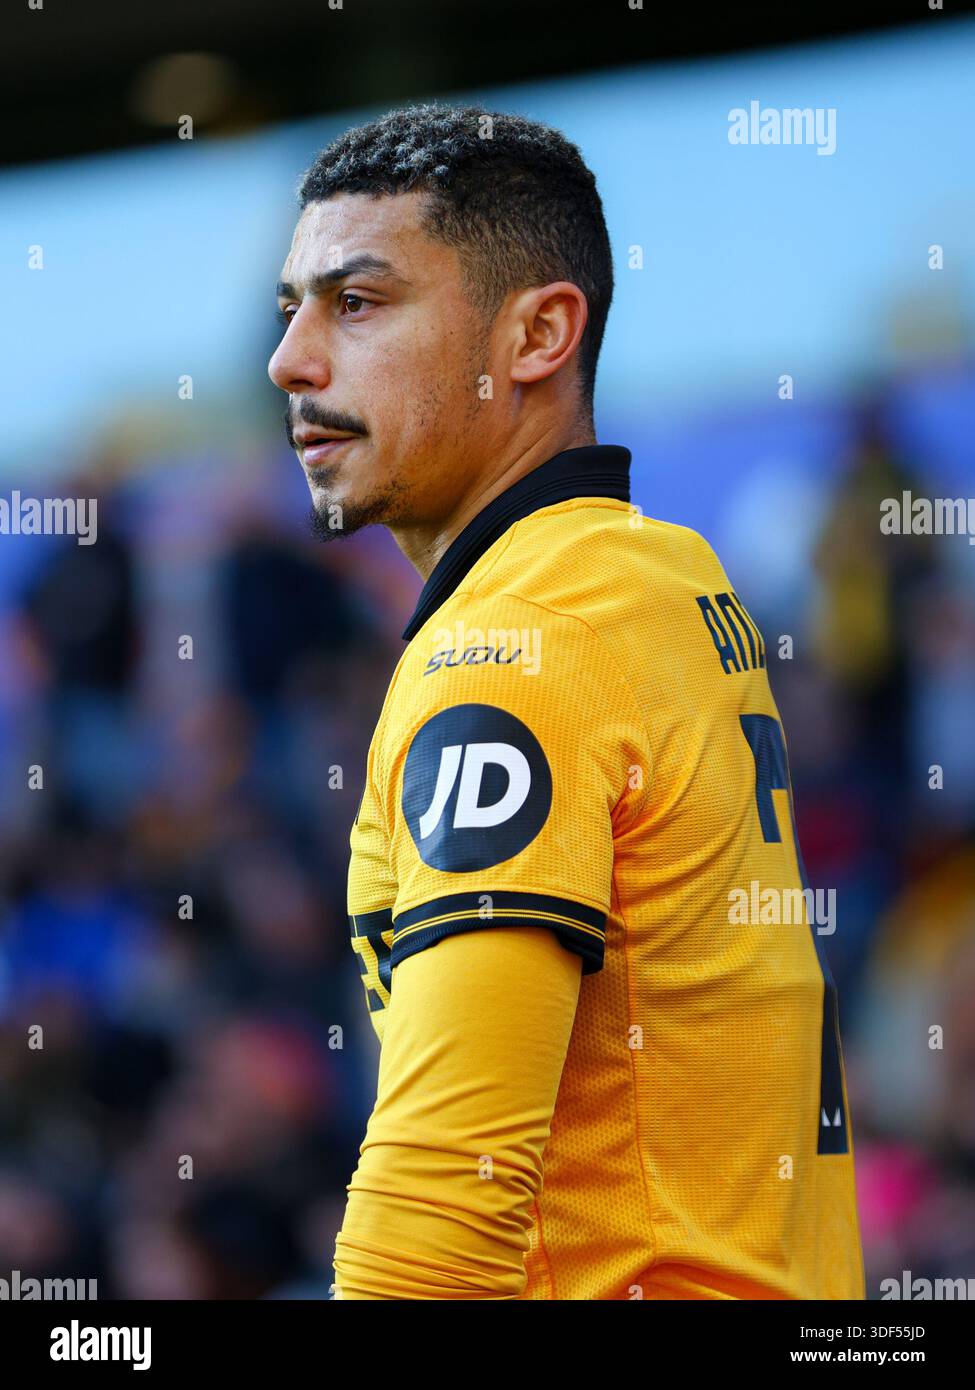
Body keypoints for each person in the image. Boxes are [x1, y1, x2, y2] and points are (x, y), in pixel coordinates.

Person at [267, 102, 865, 1300]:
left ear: (539, 333)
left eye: (359, 302)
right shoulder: (666, 577)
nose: (291, 360)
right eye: (290, 309)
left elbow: (436, 1215)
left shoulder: (513, 643)